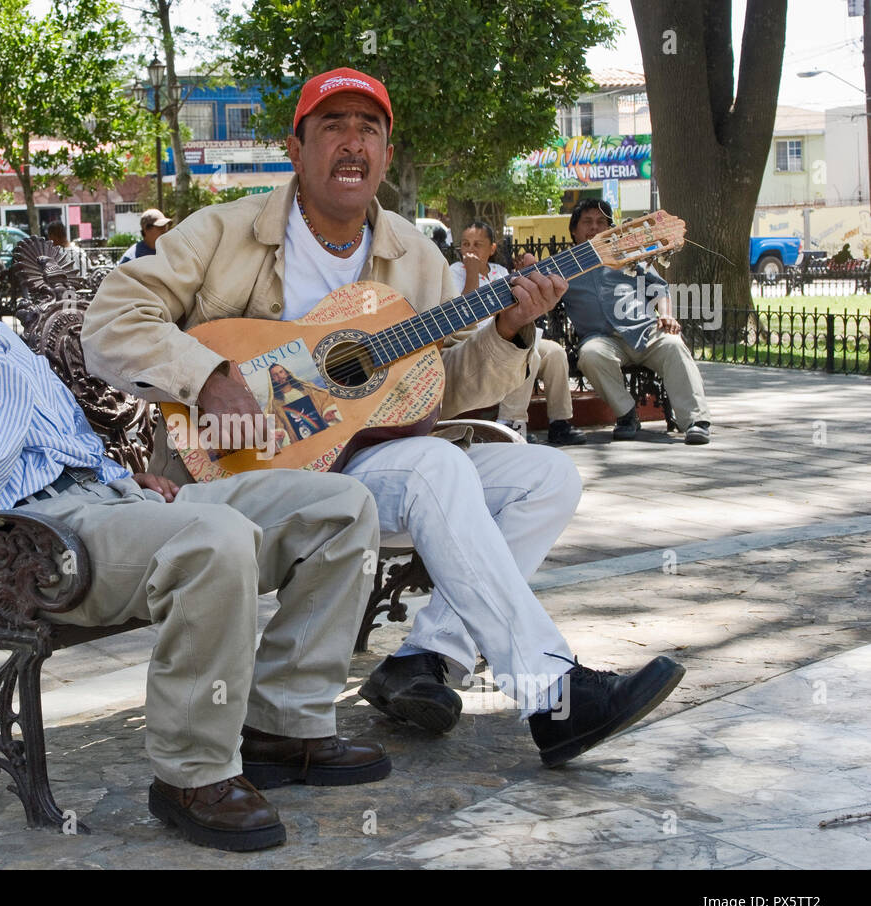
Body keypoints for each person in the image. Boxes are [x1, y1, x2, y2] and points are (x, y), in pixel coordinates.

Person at [84, 68, 685, 769]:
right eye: (333, 125)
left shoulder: (413, 253)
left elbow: (445, 386)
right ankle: (553, 691)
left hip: (366, 466)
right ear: (295, 147)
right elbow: (111, 320)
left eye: (368, 129)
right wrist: (209, 375)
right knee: (434, 466)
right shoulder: (223, 232)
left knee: (546, 475)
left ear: (387, 155)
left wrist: (512, 332)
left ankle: (426, 658)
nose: (352, 143)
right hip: (246, 470)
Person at [0, 154, 389, 852]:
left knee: (338, 506)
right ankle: (192, 772)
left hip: (103, 508)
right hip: (15, 548)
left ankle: (284, 726)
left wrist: (123, 479)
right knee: (214, 539)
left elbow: (63, 430)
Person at [558, 199, 712, 445]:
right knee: (590, 354)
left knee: (674, 345)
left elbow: (660, 289)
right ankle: (627, 415)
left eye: (601, 222)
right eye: (587, 222)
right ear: (574, 230)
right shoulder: (562, 268)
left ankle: (696, 421)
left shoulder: (629, 256)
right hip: (602, 339)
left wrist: (666, 315)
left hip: (645, 331)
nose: (594, 228)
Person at [449, 221, 585, 446]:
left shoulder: (500, 272)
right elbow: (463, 313)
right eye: (465, 244)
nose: (470, 250)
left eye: (477, 244)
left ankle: (560, 423)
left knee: (555, 353)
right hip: (476, 342)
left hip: (508, 333)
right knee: (528, 355)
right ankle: (510, 423)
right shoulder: (455, 271)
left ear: (492, 249)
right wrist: (472, 273)